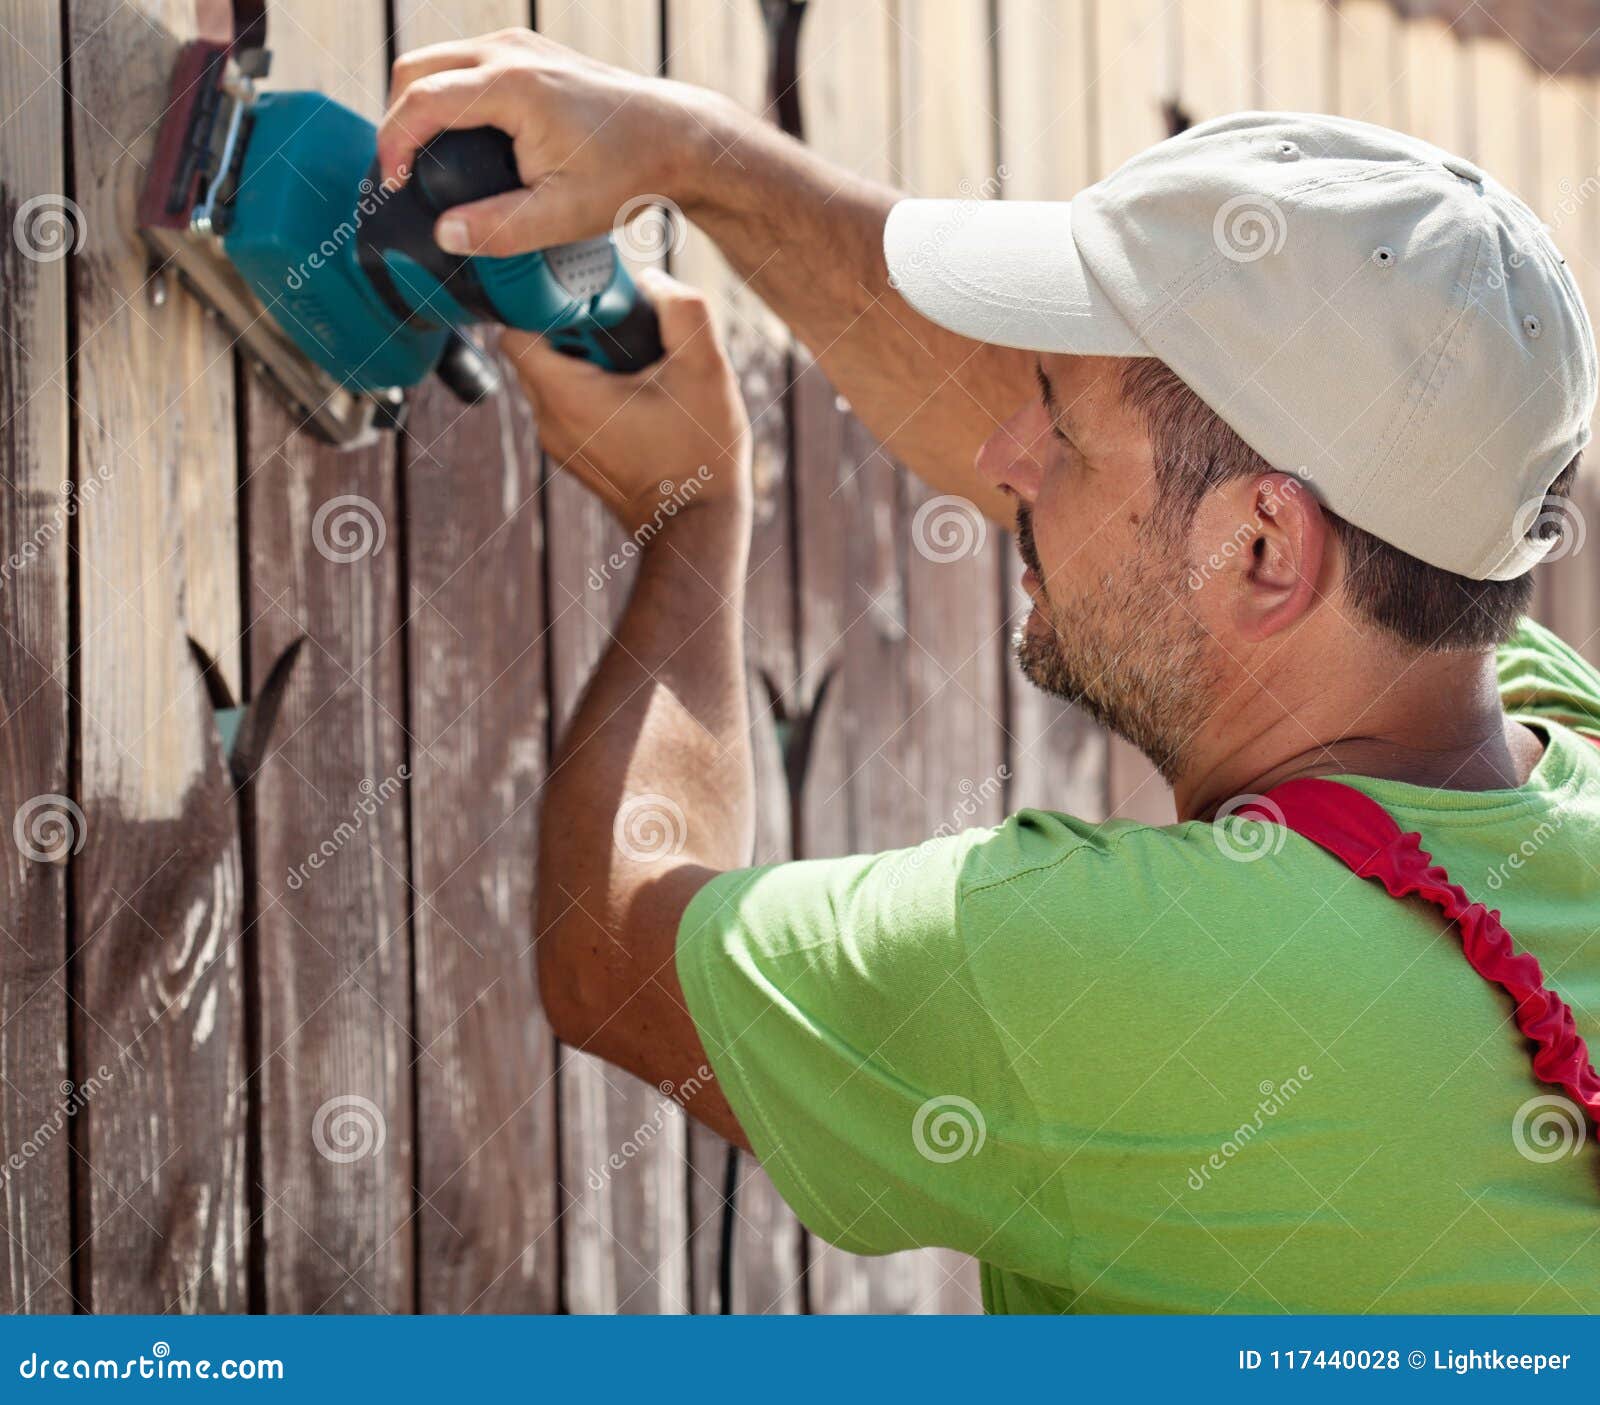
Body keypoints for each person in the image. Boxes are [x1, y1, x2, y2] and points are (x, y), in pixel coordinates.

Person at [377, 30, 1600, 1313]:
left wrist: (693, 509)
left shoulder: (1150, 977)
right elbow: (1130, 498)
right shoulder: (1524, 716)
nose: (1004, 456)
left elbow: (615, 949)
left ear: (1259, 546)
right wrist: (695, 154)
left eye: (1058, 428)